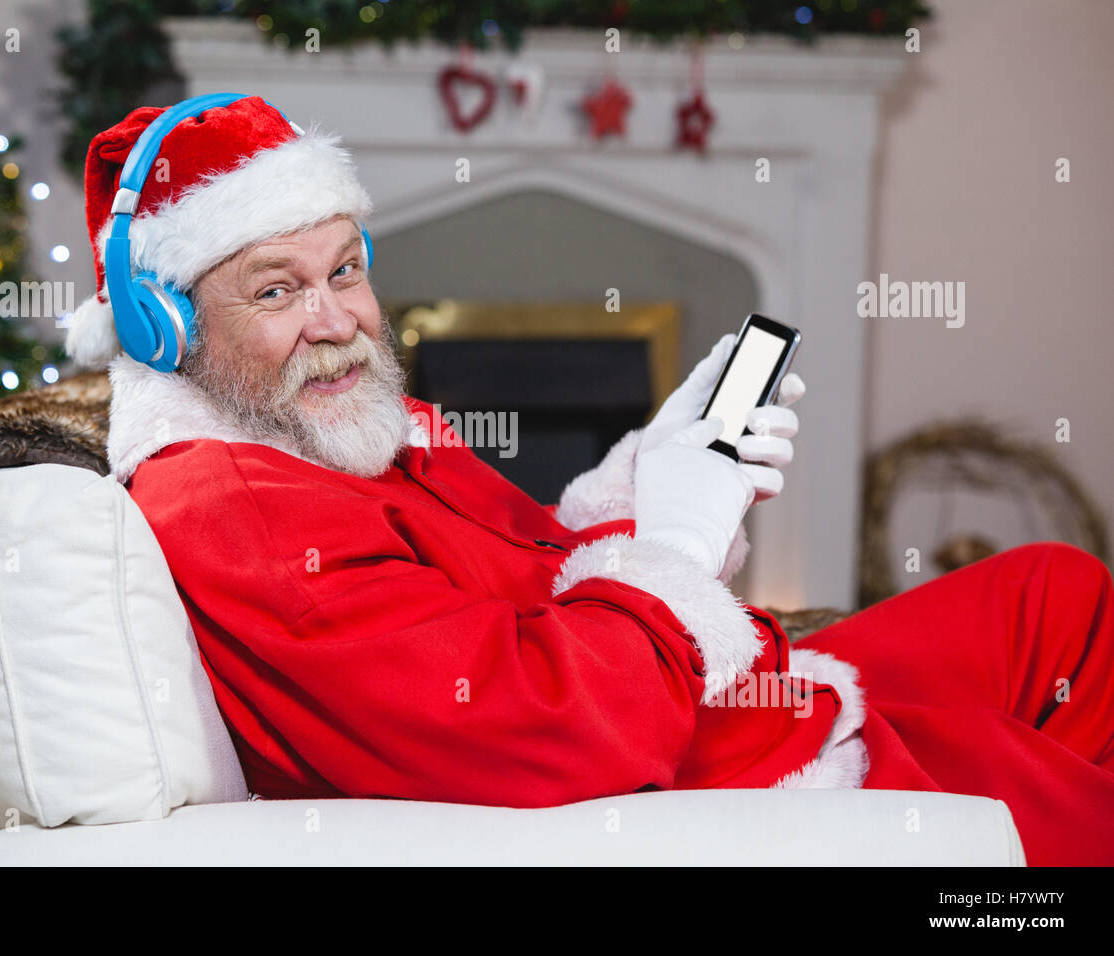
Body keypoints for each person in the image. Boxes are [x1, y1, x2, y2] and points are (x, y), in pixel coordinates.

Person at [66, 96, 1114, 866]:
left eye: (343, 267)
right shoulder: (239, 513)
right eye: (276, 289)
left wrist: (640, 480)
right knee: (1042, 789)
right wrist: (678, 549)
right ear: (168, 328)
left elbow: (530, 562)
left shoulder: (341, 423)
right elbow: (532, 729)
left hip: (685, 683)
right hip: (692, 755)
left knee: (1052, 596)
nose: (337, 320)